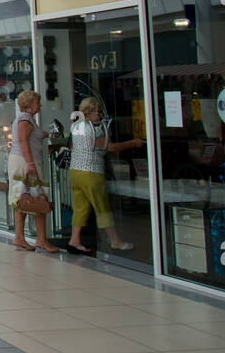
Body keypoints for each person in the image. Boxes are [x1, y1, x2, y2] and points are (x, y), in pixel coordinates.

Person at [68, 97, 143, 253]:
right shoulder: (96, 129)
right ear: (90, 111)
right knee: (102, 208)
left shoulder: (76, 126)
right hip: (91, 172)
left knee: (80, 207)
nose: (100, 115)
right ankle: (115, 241)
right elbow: (111, 148)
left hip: (75, 171)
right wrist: (132, 143)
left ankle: (74, 240)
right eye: (98, 111)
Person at [8, 90, 60, 253]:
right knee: (37, 198)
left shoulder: (27, 119)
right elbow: (23, 141)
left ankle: (20, 237)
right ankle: (41, 239)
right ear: (29, 106)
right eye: (37, 103)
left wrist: (41, 135)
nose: (40, 105)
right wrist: (30, 163)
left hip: (21, 161)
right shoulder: (25, 120)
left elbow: (27, 137)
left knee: (22, 198)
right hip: (26, 162)